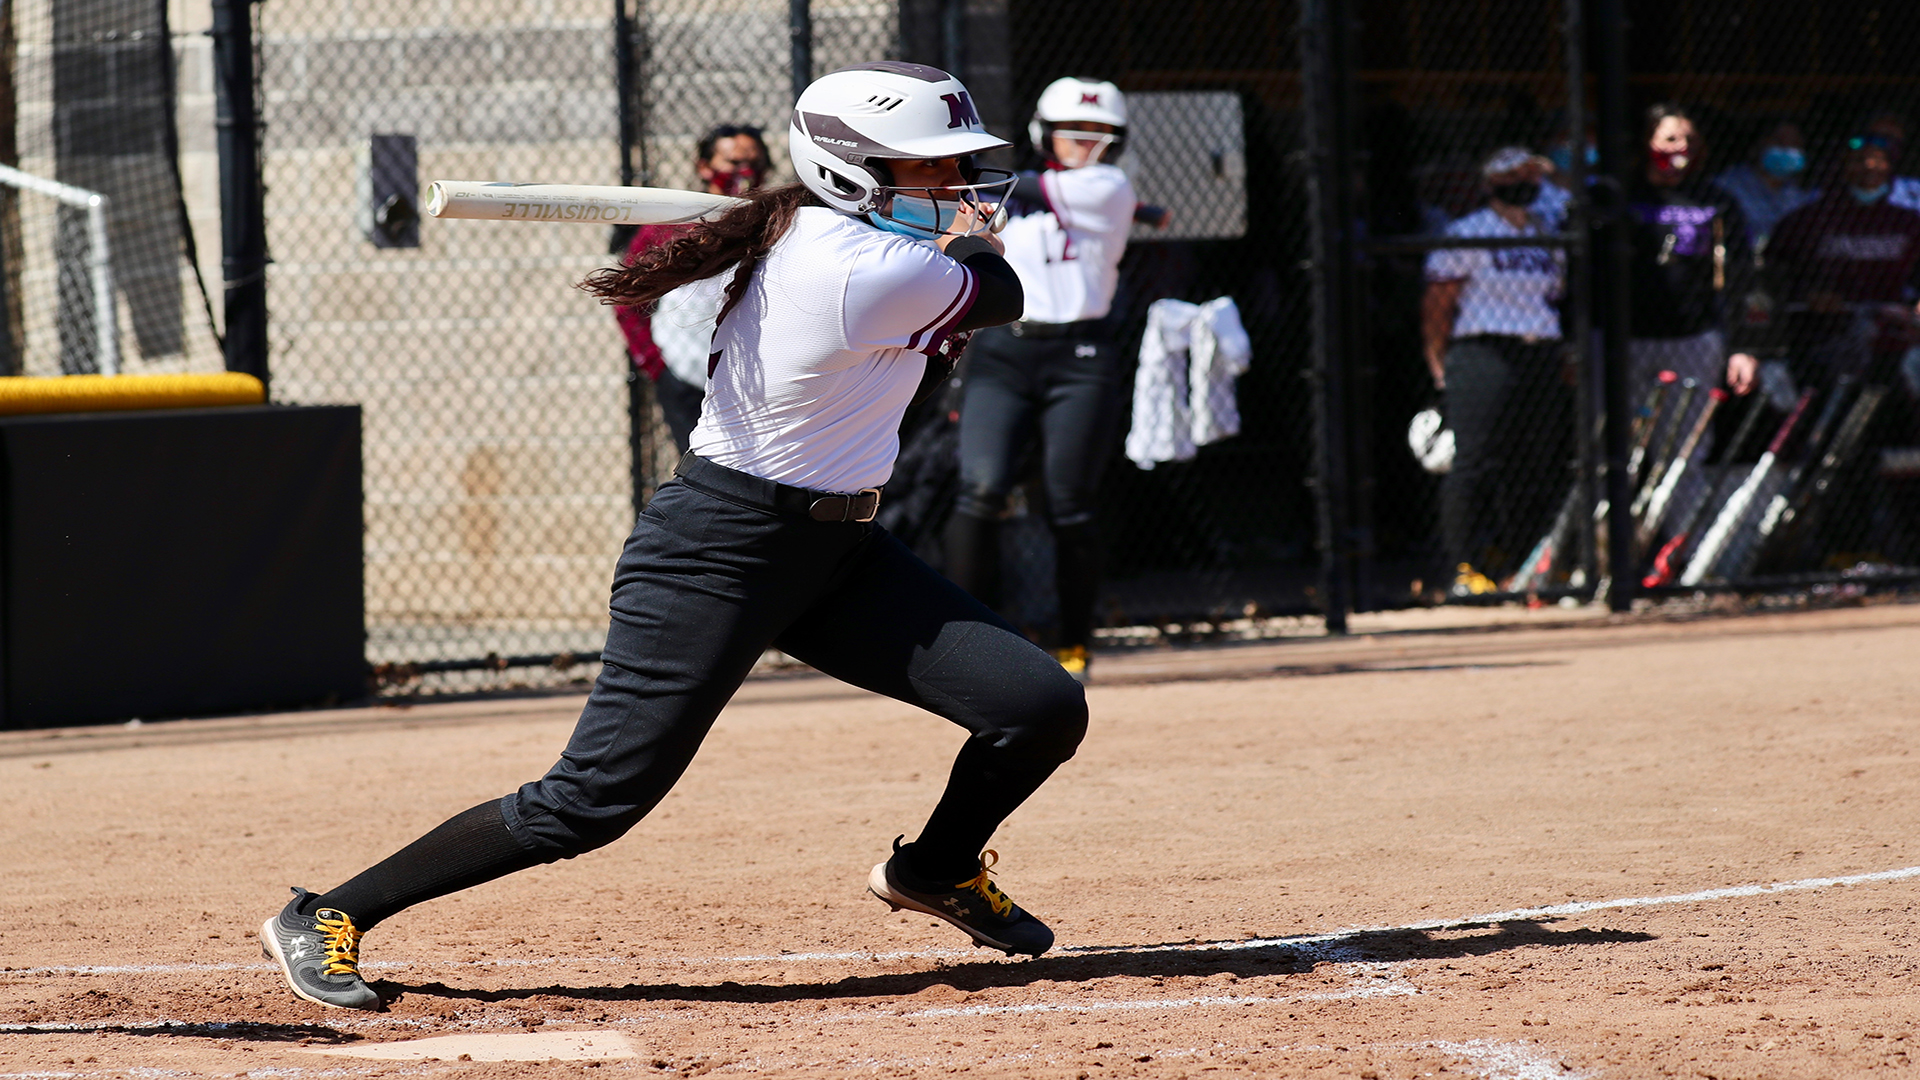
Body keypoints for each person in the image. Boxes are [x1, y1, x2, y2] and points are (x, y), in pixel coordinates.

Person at [260, 62, 1087, 1012]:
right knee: (590, 801)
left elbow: (961, 261)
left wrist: (905, 213)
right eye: (925, 169)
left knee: (1039, 707)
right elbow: (1004, 286)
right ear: (854, 174)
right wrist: (966, 235)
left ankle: (936, 870)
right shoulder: (865, 267)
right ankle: (329, 912)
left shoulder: (831, 235)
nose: (955, 186)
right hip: (719, 548)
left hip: (840, 552)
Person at [940, 77, 1168, 684]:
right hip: (1004, 354)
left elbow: (1030, 188)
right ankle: (960, 641)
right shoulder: (1017, 197)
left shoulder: (1109, 185)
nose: (1084, 147)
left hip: (1081, 355)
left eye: (1099, 136)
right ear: (1045, 132)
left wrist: (966, 182)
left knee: (1067, 500)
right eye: (1072, 134)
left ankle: (1073, 643)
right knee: (981, 488)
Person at [1420, 147, 1570, 593]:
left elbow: (1556, 295)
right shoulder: (1469, 232)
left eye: (1530, 175)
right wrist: (1438, 363)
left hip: (1538, 350)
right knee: (1474, 460)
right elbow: (1438, 304)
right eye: (1512, 175)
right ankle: (1464, 566)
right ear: (1489, 185)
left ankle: (1523, 564)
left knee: (1533, 463)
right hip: (1483, 351)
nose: (1524, 182)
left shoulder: (1547, 232)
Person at [1625, 104, 1761, 542]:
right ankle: (1618, 555)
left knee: (1685, 450)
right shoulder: (1621, 196)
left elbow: (1740, 278)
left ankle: (1682, 554)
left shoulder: (1715, 198)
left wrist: (1742, 345)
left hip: (1693, 337)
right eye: (1668, 138)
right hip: (1627, 339)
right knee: (1624, 450)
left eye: (1687, 139)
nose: (1679, 148)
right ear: (1646, 142)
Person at [616, 125, 771, 454]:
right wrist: (656, 365)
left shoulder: (774, 225)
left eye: (754, 163)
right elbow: (629, 298)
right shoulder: (673, 226)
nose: (745, 173)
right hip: (685, 377)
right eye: (733, 162)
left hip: (757, 380)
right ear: (705, 167)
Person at [1710, 120, 1818, 252]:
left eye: (1795, 144)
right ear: (1758, 144)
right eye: (1779, 142)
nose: (1787, 150)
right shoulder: (1725, 186)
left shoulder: (1809, 196)